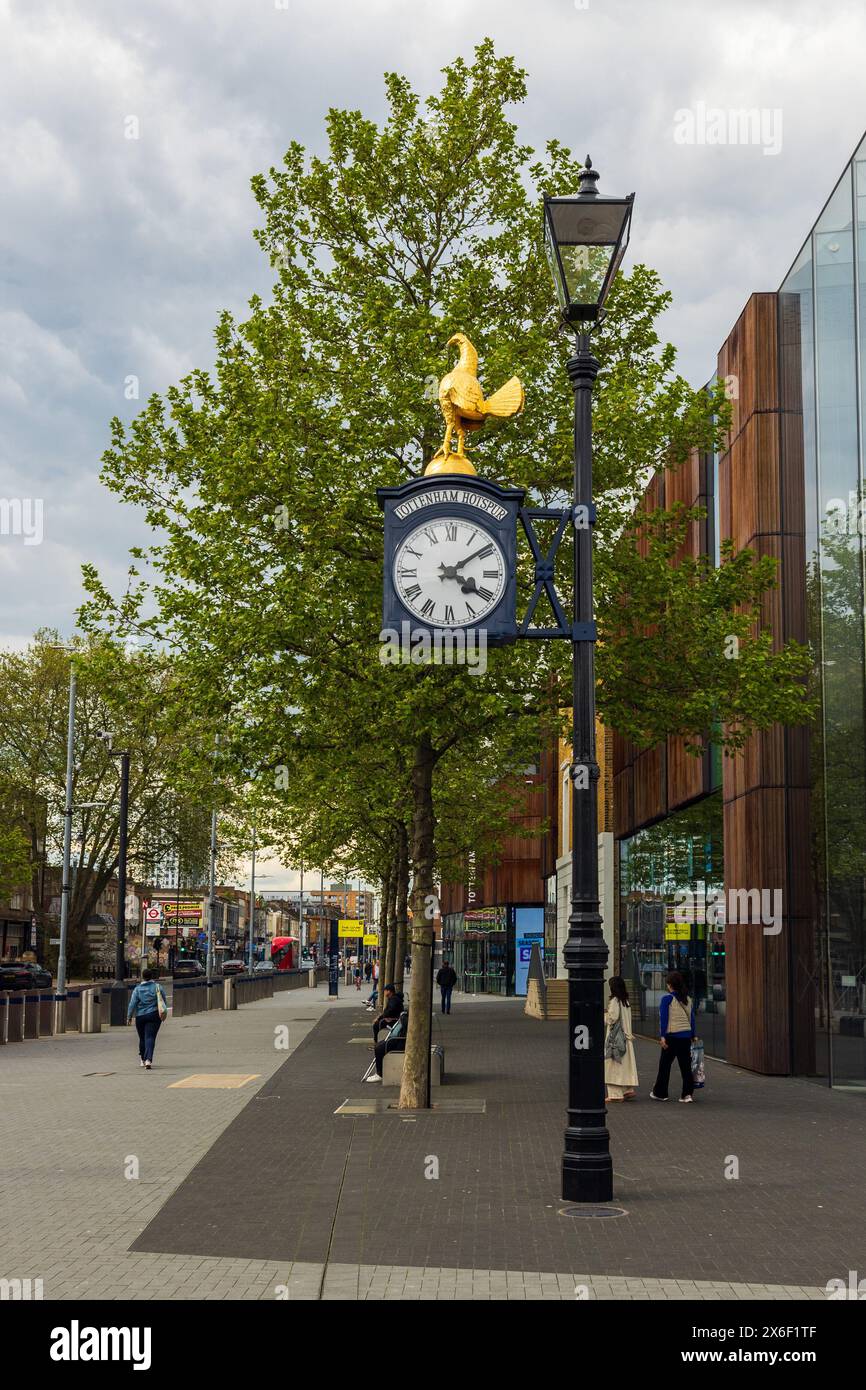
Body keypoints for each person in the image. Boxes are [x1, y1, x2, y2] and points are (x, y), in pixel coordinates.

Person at [651, 971, 696, 1103]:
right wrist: (693, 1035)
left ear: (670, 985)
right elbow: (691, 1019)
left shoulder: (667, 999)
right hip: (686, 1036)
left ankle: (660, 1093)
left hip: (671, 1036)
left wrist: (662, 1036)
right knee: (686, 1066)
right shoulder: (688, 999)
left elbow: (664, 1019)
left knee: (665, 1066)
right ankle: (687, 1094)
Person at [603, 976, 638, 1101]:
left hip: (616, 1039)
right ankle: (628, 1089)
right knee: (625, 1065)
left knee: (612, 1064)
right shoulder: (625, 1001)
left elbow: (612, 1018)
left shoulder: (615, 1001)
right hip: (626, 1038)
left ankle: (615, 1094)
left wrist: (604, 1015)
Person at [127, 969, 167, 1070]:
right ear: (152, 976)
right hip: (154, 1015)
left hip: (140, 1016)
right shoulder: (157, 987)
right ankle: (148, 1059)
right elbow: (163, 1000)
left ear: (142, 977)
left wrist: (129, 1016)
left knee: (142, 1038)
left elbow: (132, 1004)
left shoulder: (137, 989)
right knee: (150, 1037)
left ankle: (143, 1059)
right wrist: (163, 1012)